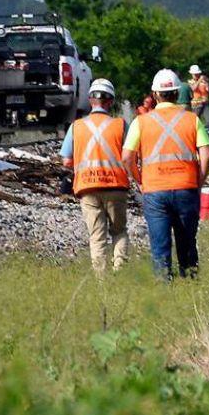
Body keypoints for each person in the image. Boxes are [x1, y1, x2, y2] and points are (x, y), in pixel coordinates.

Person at [122, 69, 209, 279]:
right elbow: (207, 156)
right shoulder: (192, 120)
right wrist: (198, 182)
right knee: (187, 244)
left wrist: (140, 181)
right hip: (186, 189)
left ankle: (165, 289)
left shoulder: (140, 122)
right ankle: (190, 287)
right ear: (176, 93)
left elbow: (127, 157)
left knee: (160, 247)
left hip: (154, 190)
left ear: (155, 95)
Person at [61, 79, 130, 275]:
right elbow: (130, 155)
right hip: (116, 187)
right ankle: (121, 273)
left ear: (91, 100)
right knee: (119, 231)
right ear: (111, 101)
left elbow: (66, 161)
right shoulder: (121, 125)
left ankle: (101, 281)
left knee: (97, 236)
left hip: (88, 188)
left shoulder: (76, 126)